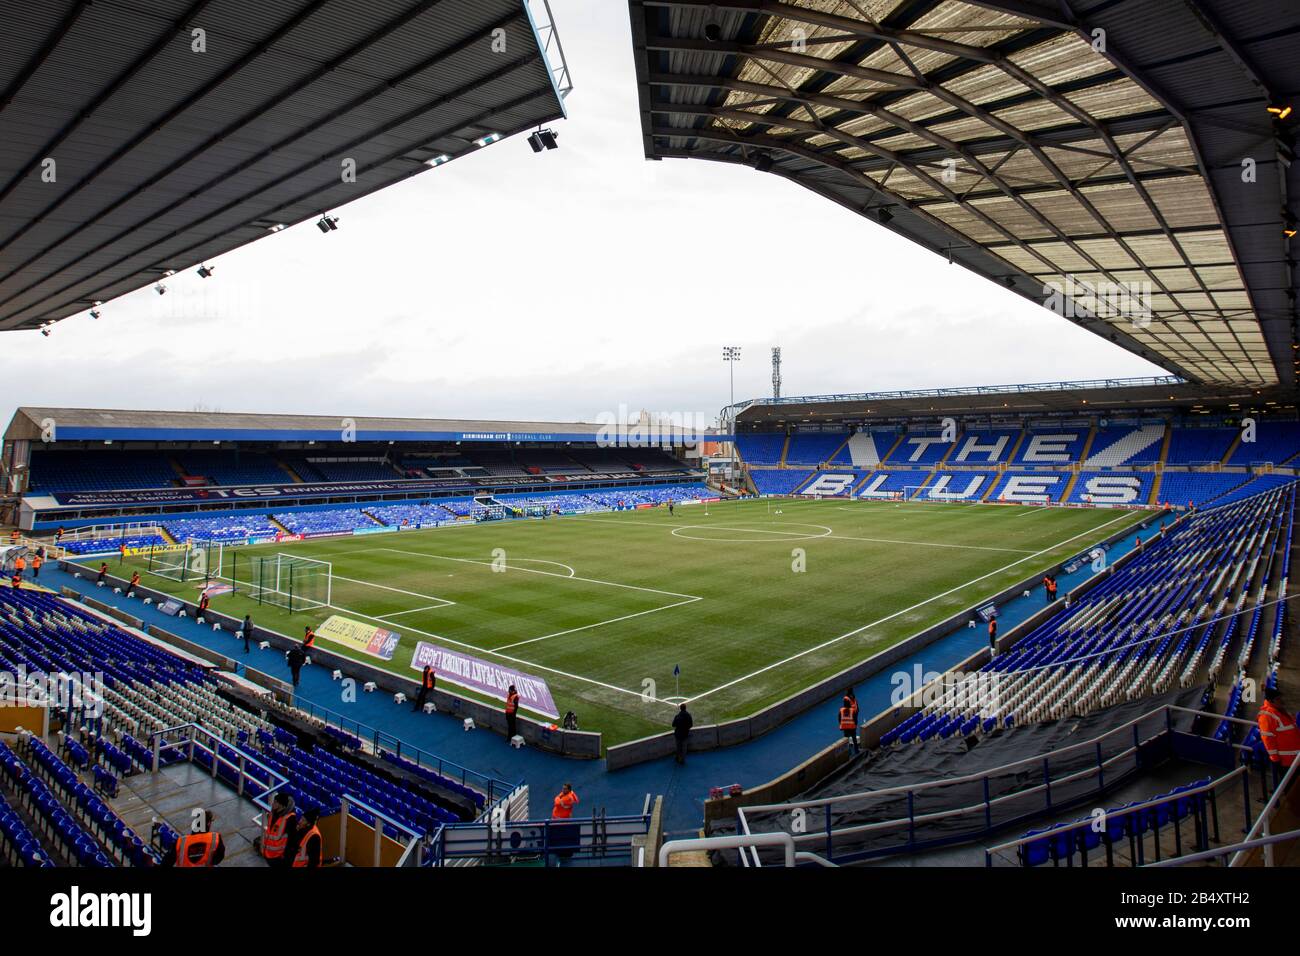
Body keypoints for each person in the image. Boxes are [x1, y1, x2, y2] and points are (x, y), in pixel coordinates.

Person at [1258, 686, 1300, 770]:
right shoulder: (1267, 716)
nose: (1282, 701)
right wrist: (1275, 759)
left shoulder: (1280, 711)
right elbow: (1268, 739)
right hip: (1286, 761)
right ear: (1270, 701)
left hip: (1295, 758)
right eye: (1278, 699)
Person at [255, 792, 296, 867]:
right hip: (268, 853)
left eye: (275, 802)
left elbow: (292, 841)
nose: (272, 803)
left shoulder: (290, 819)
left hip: (278, 857)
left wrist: (285, 857)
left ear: (282, 806)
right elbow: (269, 832)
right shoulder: (272, 813)